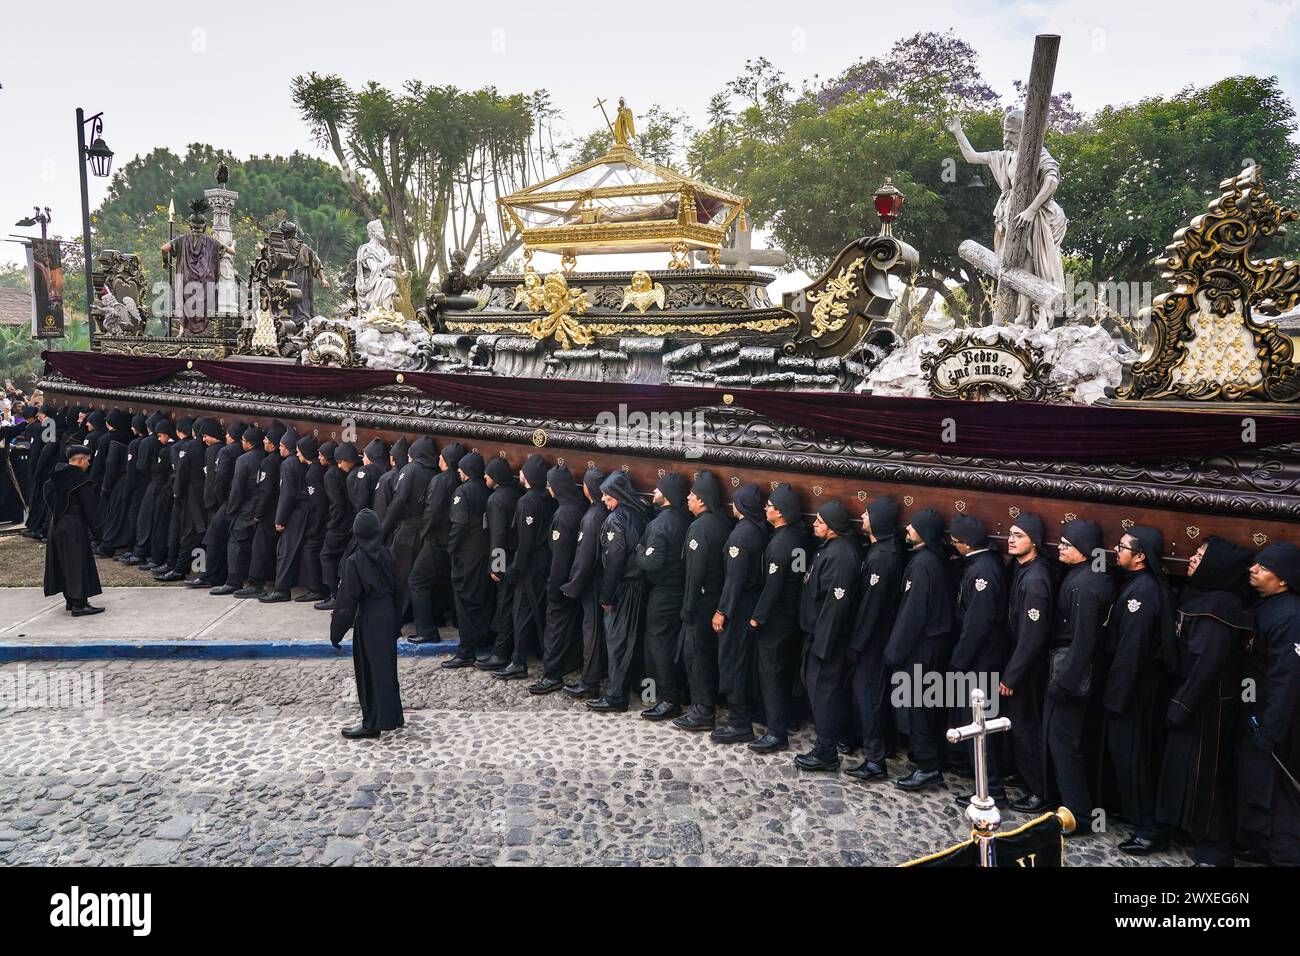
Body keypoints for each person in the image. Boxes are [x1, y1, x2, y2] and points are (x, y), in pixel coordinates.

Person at [1154, 536, 1253, 866]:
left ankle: (1214, 850)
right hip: (1191, 701)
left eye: (1200, 556)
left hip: (1208, 706)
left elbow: (1206, 666)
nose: (1193, 560)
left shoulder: (1219, 610)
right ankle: (1183, 829)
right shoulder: (1201, 595)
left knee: (1205, 778)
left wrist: (1181, 707)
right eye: (1194, 553)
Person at [1106, 525, 1175, 854]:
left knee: (1137, 757)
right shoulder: (1137, 584)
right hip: (1137, 686)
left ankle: (1149, 828)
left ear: (1141, 556)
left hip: (1137, 690)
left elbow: (1131, 650)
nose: (1116, 550)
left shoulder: (1142, 592)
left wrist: (1117, 698)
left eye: (1122, 547)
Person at [1043, 518, 1114, 825]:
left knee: (1063, 740)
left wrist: (1064, 681)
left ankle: (1078, 812)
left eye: (1067, 545)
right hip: (1074, 671)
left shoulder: (1085, 585)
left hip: (1073, 675)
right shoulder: (1087, 576)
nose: (1061, 547)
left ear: (1084, 550)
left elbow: (1083, 641)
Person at [1237, 541, 1300, 866]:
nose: (1253, 569)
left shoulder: (1290, 617)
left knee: (1279, 794)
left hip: (1278, 724)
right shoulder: (1266, 606)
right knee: (1258, 784)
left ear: (1284, 579)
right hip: (1257, 715)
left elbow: (1286, 679)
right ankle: (1261, 845)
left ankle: (1286, 856)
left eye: (1263, 567)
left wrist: (1270, 731)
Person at [887, 509, 956, 791]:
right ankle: (925, 755)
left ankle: (928, 765)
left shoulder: (922, 565)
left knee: (916, 705)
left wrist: (894, 651)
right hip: (932, 645)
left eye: (913, 527)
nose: (907, 530)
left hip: (922, 647)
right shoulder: (930, 560)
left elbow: (913, 613)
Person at [794, 500, 861, 771]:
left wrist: (822, 645)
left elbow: (835, 606)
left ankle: (826, 752)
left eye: (820, 522)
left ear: (833, 528)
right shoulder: (830, 549)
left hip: (828, 641)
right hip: (817, 636)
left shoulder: (842, 556)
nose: (814, 525)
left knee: (824, 695)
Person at [948, 514, 1010, 805]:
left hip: (981, 660)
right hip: (982, 657)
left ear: (967, 544)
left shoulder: (982, 572)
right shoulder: (983, 563)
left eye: (956, 542)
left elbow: (977, 623)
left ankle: (991, 787)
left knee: (979, 723)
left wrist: (959, 660)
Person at [330, 509, 404, 738]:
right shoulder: (388, 554)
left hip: (370, 618)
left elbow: (346, 603)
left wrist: (336, 632)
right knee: (387, 669)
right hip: (388, 614)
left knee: (369, 671)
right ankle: (393, 715)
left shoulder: (355, 562)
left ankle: (372, 722)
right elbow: (400, 589)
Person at [845, 497, 905, 780]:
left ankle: (875, 760)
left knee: (868, 694)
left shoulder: (881, 557)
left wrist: (857, 644)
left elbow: (871, 606)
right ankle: (883, 746)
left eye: (867, 513)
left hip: (874, 638)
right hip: (881, 635)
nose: (863, 516)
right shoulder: (887, 550)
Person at [748, 483, 810, 754]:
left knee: (771, 674)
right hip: (793, 618)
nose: (766, 509)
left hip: (777, 621)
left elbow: (772, 588)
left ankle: (776, 733)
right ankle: (786, 718)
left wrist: (757, 618)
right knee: (784, 672)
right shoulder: (799, 538)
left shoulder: (780, 544)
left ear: (781, 513)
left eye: (770, 507)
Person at [1002, 515, 1055, 813]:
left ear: (1033, 541)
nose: (1011, 539)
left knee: (1026, 727)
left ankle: (1039, 790)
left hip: (1028, 669)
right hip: (1020, 662)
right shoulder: (1022, 570)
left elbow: (1032, 638)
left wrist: (1012, 676)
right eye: (1010, 534)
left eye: (1019, 535)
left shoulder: (1035, 580)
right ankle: (1024, 775)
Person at [673, 470, 732, 731]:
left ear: (703, 500)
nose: (688, 498)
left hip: (700, 602)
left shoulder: (698, 527)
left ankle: (702, 711)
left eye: (693, 495)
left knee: (696, 657)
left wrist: (687, 607)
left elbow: (694, 573)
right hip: (715, 598)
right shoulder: (721, 523)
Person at [712, 484, 771, 744]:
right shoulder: (759, 530)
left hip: (738, 607)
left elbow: (734, 580)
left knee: (733, 661)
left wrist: (722, 611)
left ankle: (738, 723)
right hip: (750, 603)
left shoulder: (741, 536)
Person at [588, 470, 649, 713]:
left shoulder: (616, 520)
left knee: (617, 641)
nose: (603, 499)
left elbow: (614, 560)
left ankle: (615, 696)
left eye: (606, 495)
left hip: (623, 588)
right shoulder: (639, 514)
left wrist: (606, 595)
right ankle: (631, 687)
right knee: (632, 640)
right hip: (639, 585)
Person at [634, 472, 691, 720]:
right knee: (670, 642)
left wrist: (638, 550)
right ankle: (676, 691)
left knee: (658, 644)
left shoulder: (659, 525)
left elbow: (651, 562)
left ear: (666, 496)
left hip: (663, 593)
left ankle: (668, 699)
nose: (654, 492)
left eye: (658, 489)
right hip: (679, 589)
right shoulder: (684, 518)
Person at [527, 465, 587, 693]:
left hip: (562, 582)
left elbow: (560, 556)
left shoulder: (563, 515)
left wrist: (554, 585)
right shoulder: (578, 507)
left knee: (555, 628)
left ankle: (552, 674)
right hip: (574, 581)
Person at [495, 455, 553, 680]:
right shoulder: (548, 498)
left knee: (522, 612)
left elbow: (525, 540)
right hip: (543, 561)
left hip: (530, 566)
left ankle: (519, 660)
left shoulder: (527, 502)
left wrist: (515, 568)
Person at [439, 452, 493, 665]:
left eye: (462, 469)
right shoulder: (487, 491)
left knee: (464, 602)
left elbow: (459, 524)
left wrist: (451, 548)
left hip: (466, 555)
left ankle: (466, 652)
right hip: (483, 553)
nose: (458, 471)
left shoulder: (462, 492)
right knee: (480, 598)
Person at [410, 442, 465, 645]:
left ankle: (426, 630)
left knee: (417, 581)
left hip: (436, 540)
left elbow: (432, 511)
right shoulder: (459, 481)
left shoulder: (441, 480)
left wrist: (424, 534)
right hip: (451, 541)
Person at [560, 468, 609, 698]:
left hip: (593, 582)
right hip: (602, 580)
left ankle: (590, 682)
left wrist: (573, 584)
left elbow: (585, 556)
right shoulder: (603, 513)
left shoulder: (592, 517)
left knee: (592, 631)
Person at [42, 445, 104, 616]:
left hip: (56, 525)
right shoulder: (79, 480)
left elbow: (46, 494)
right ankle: (79, 604)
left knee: (63, 563)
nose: (89, 464)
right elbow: (89, 508)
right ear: (79, 459)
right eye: (88, 460)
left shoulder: (55, 478)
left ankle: (70, 600)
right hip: (74, 527)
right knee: (77, 563)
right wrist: (99, 532)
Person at [380, 435, 436, 621]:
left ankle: (399, 616)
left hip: (408, 529)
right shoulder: (434, 473)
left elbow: (399, 501)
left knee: (401, 574)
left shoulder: (410, 470)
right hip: (425, 529)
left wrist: (383, 529)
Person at [189, 421, 247, 589]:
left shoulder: (226, 451)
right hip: (244, 502)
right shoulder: (244, 451)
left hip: (228, 502)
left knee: (214, 537)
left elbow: (219, 480)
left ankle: (211, 576)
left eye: (228, 434)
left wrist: (220, 500)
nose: (226, 437)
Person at [478, 456, 524, 670]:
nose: (485, 476)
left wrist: (496, 565)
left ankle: (500, 653)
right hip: (517, 557)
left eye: (488, 473)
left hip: (505, 560)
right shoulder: (516, 493)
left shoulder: (496, 500)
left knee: (504, 605)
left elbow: (498, 534)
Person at [213, 426, 266, 596]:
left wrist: (231, 509)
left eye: (243, 441)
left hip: (245, 508)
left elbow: (237, 489)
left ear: (249, 444)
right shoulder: (267, 457)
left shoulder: (243, 460)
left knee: (236, 543)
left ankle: (233, 581)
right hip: (262, 507)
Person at [262, 431, 314, 603]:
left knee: (285, 551)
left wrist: (280, 519)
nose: (280, 449)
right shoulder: (299, 463)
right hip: (305, 510)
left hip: (295, 512)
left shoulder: (287, 465)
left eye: (283, 447)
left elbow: (287, 494)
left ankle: (282, 589)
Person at [317, 441, 357, 610]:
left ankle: (334, 594)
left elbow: (337, 504)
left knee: (327, 555)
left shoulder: (331, 475)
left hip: (340, 525)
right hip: (349, 523)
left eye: (321, 455)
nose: (318, 458)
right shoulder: (345, 472)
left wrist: (332, 524)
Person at [92, 410, 134, 557]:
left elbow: (106, 464)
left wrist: (104, 486)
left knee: (111, 514)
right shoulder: (129, 438)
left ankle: (107, 544)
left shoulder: (106, 440)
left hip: (112, 482)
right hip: (126, 481)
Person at [297, 436, 328, 603]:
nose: (297, 454)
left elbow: (318, 503)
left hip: (319, 523)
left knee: (309, 552)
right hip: (322, 521)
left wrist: (314, 527)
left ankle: (316, 589)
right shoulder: (317, 469)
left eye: (298, 451)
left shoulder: (312, 474)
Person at [373, 437, 409, 523]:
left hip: (386, 527)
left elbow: (381, 507)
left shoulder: (386, 478)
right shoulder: (409, 476)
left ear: (392, 459)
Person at [349, 437, 388, 515]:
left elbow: (361, 499)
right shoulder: (387, 470)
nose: (363, 459)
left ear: (370, 457)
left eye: (364, 456)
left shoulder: (365, 471)